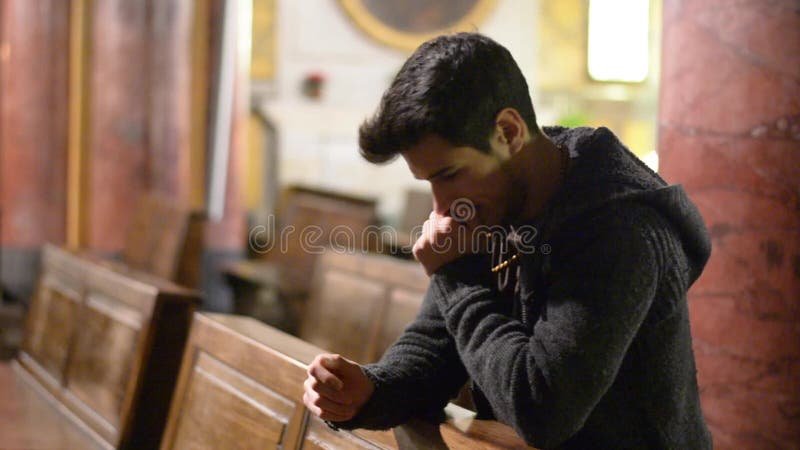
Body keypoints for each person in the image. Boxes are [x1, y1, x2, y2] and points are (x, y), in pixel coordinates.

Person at [302, 32, 713, 449]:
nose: (441, 207)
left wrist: (454, 278)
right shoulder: (492, 201)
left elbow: (540, 409)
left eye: (449, 175)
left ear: (508, 131)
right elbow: (436, 348)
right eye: (428, 182)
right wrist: (368, 393)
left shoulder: (619, 227)